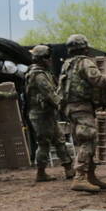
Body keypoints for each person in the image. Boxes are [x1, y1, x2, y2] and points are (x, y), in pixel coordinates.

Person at [58, 33, 106, 193]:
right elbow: (99, 81)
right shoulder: (85, 62)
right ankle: (80, 178)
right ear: (85, 48)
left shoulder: (67, 64)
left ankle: (90, 176)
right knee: (88, 140)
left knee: (82, 140)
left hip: (70, 108)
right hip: (81, 107)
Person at [24, 45, 72, 182]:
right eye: (47, 57)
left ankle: (69, 169)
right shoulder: (38, 75)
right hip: (41, 115)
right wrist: (64, 107)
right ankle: (41, 173)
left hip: (47, 113)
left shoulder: (42, 72)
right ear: (42, 59)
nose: (50, 60)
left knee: (60, 140)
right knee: (44, 143)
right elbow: (50, 94)